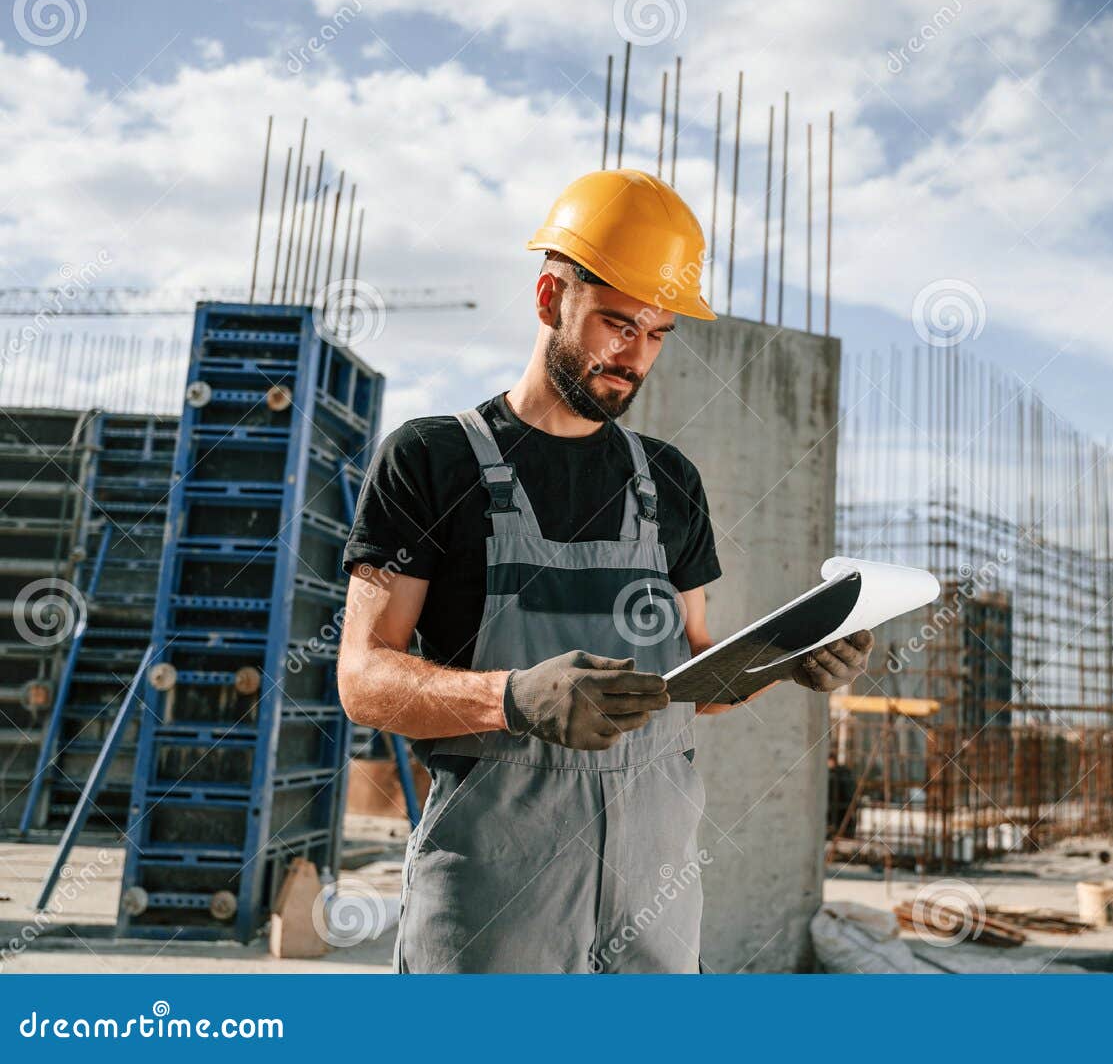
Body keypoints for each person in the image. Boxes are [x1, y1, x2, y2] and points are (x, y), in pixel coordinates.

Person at [337, 169, 873, 973]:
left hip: (655, 908)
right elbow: (362, 678)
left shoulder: (669, 482)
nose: (635, 357)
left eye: (657, 334)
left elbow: (694, 668)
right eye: (617, 325)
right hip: (494, 906)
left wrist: (790, 658)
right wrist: (512, 696)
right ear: (550, 297)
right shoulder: (431, 461)